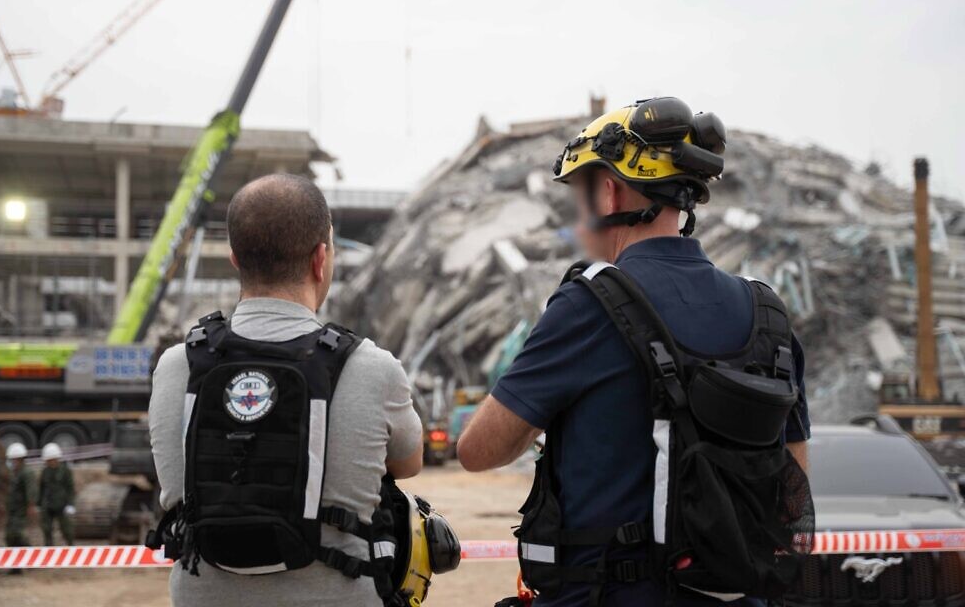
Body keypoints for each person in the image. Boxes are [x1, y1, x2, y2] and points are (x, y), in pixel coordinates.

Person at [458, 98, 811, 607]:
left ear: (607, 192)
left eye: (579, 197)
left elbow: (477, 451)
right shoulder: (768, 314)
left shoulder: (587, 305)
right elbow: (794, 481)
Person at [149, 173, 423, 607]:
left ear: (235, 258)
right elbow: (408, 463)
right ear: (320, 259)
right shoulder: (373, 367)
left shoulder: (176, 366)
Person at [38, 442, 75, 545]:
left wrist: (70, 504)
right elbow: (41, 488)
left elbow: (70, 488)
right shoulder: (45, 472)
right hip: (48, 505)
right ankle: (49, 548)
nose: (50, 463)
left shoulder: (65, 471)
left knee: (67, 529)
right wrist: (39, 504)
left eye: (52, 460)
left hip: (62, 505)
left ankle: (71, 546)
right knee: (46, 529)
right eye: (48, 461)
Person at [5, 442, 36, 547]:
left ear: (19, 459)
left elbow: (31, 490)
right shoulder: (16, 473)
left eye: (12, 460)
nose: (11, 463)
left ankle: (28, 553)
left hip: (21, 509)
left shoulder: (27, 473)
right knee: (10, 536)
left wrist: (30, 506)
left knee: (18, 534)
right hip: (14, 509)